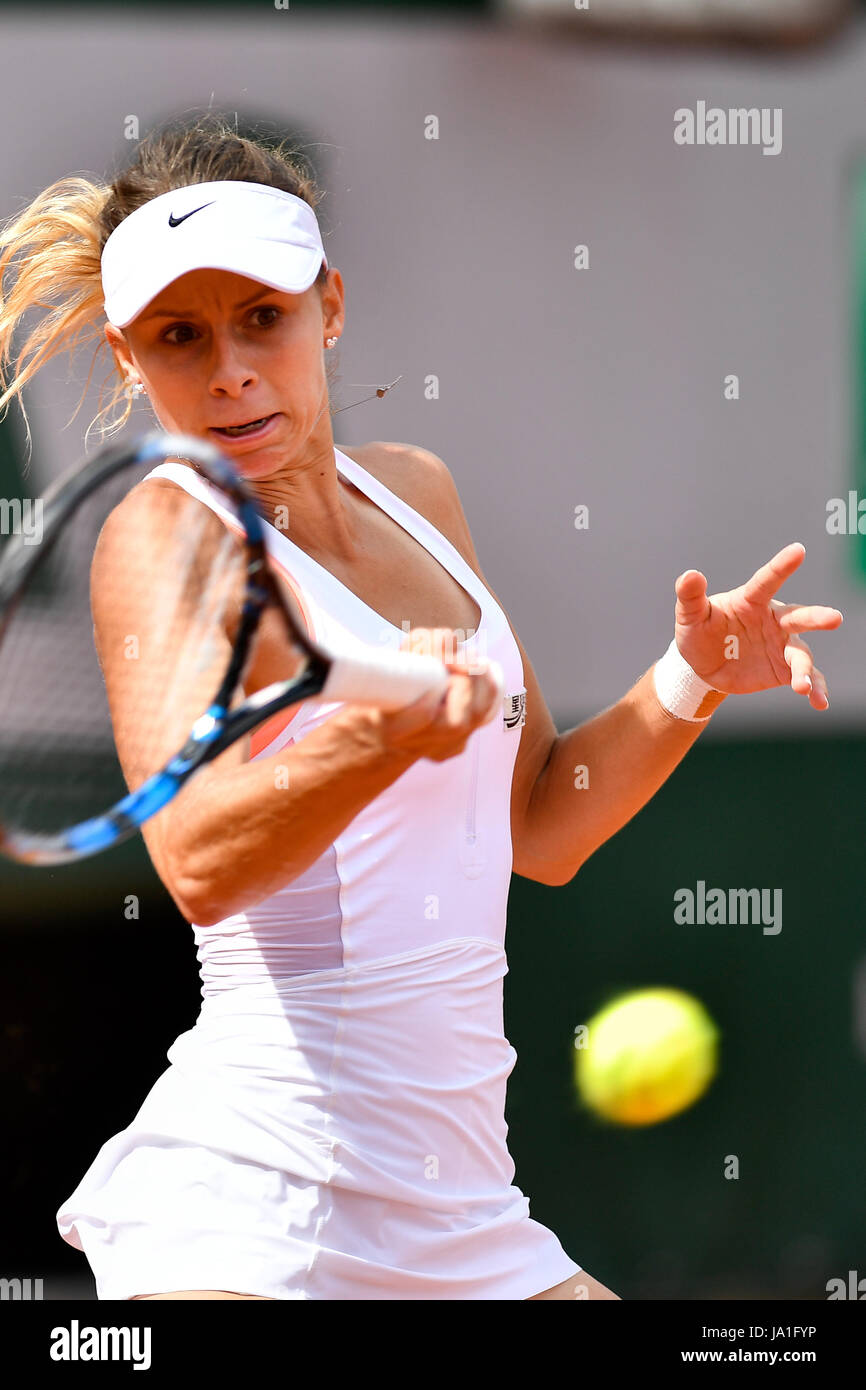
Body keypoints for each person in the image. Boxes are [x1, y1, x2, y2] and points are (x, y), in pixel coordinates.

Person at [0, 115, 842, 1301]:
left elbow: (544, 825)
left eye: (262, 317)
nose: (230, 367)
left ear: (328, 307)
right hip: (255, 1210)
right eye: (179, 336)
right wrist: (370, 735)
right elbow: (192, 860)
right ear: (130, 360)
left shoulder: (416, 490)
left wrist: (688, 677)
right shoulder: (168, 529)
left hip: (466, 1215)